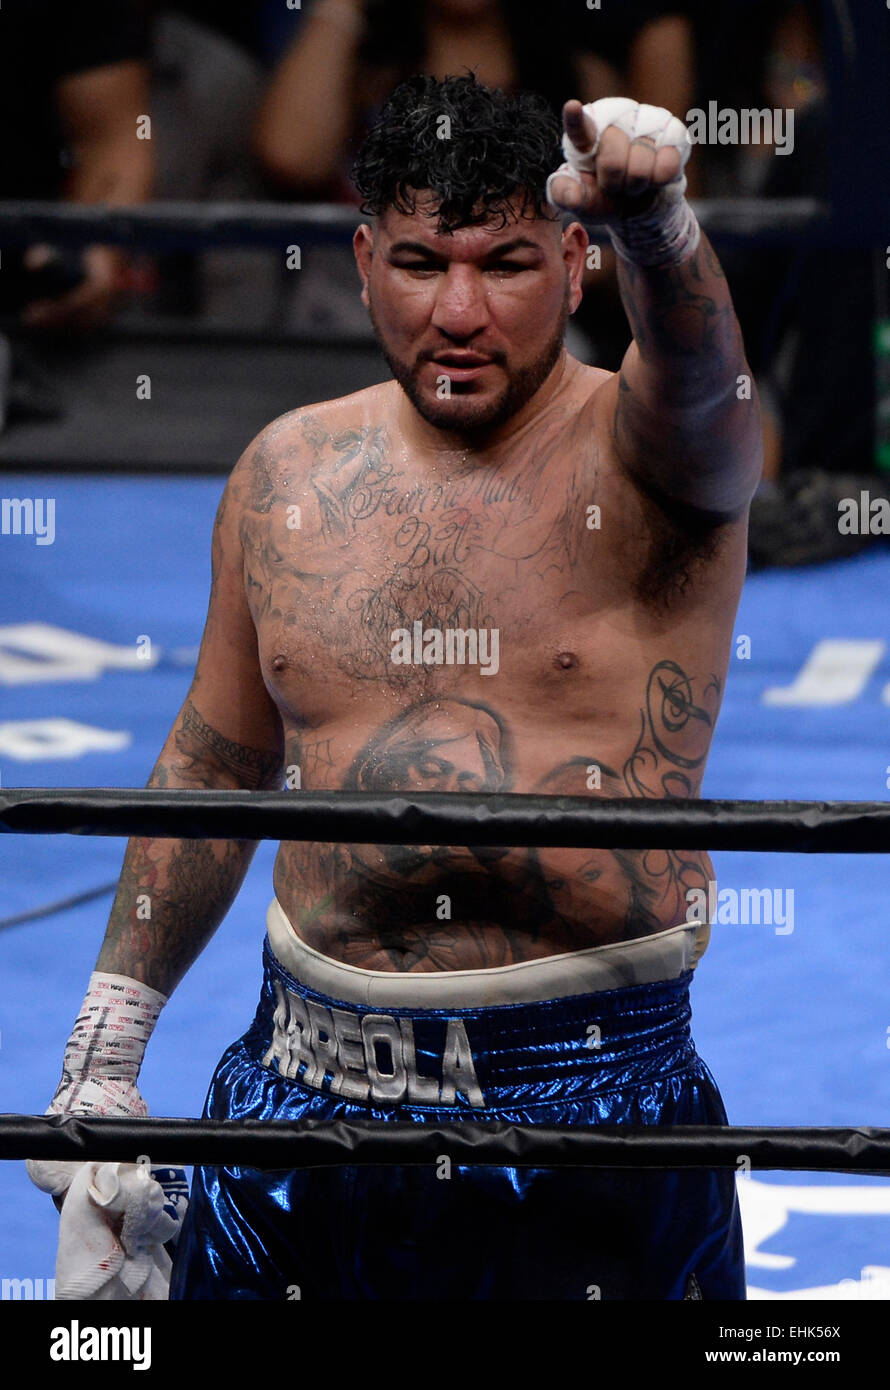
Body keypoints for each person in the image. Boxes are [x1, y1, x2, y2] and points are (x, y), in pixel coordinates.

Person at [28, 73, 762, 1300]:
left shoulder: (652, 460)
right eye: (422, 262)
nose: (461, 311)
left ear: (575, 263)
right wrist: (107, 1043)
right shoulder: (286, 471)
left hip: (580, 1096)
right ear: (363, 261)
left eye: (508, 263)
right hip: (299, 1091)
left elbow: (706, 388)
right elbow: (217, 758)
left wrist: (661, 226)